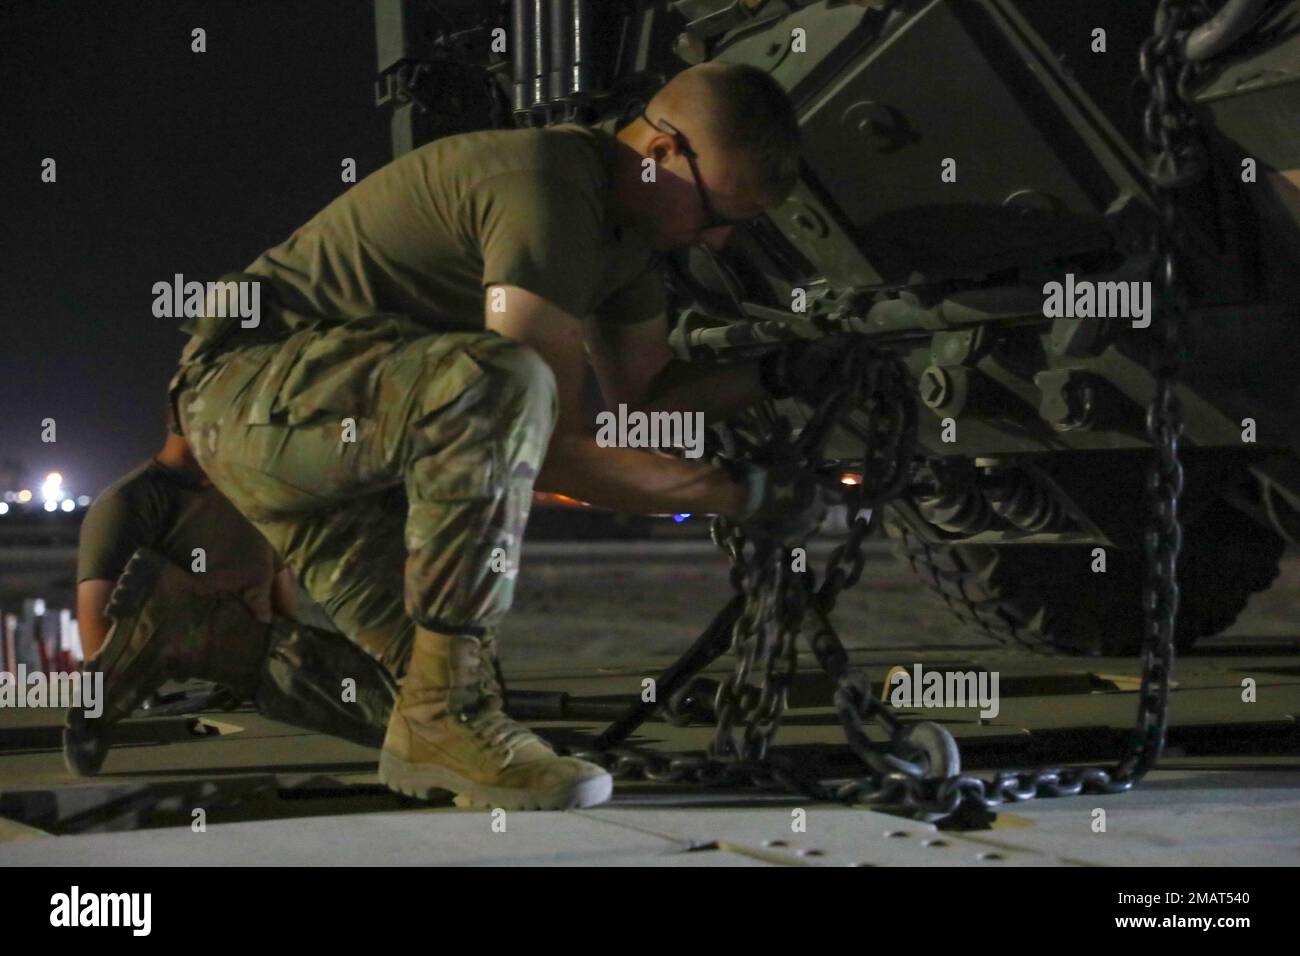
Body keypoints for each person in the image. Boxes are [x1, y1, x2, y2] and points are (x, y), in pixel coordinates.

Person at [145, 62, 835, 810]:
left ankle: (191, 639)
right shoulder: (547, 186)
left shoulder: (628, 238)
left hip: (343, 444)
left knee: (433, 691)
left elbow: (647, 401)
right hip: (247, 400)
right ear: (663, 152)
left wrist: (783, 374)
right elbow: (551, 446)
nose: (719, 240)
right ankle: (450, 718)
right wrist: (736, 495)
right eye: (713, 214)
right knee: (504, 382)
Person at [65, 422, 395, 776]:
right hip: (197, 691)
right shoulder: (131, 502)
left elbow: (284, 621)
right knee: (425, 721)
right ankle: (194, 638)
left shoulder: (255, 499)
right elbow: (100, 643)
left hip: (255, 682)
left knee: (409, 709)